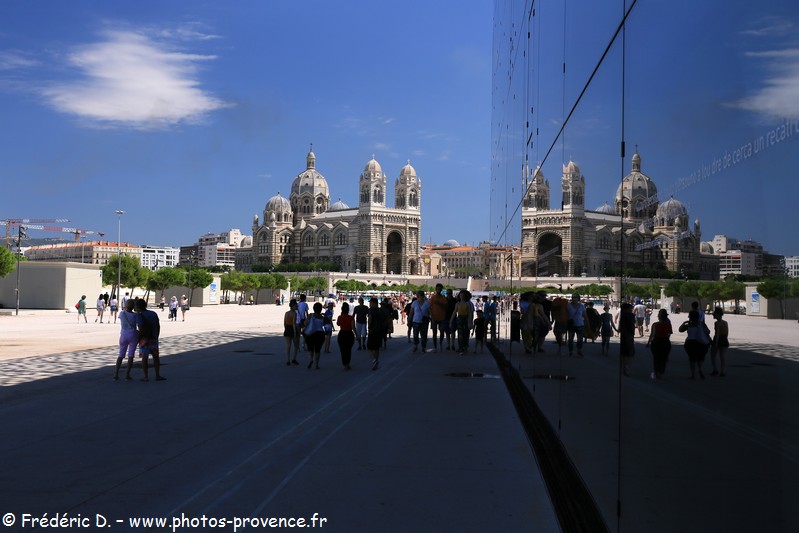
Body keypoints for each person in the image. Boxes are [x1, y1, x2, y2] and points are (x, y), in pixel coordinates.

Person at [135, 299, 165, 381]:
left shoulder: (139, 315)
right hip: (153, 338)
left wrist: (138, 338)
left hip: (144, 339)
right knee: (155, 356)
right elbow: (158, 325)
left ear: (138, 307)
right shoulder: (153, 313)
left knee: (144, 358)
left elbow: (140, 328)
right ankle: (157, 375)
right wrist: (156, 336)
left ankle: (146, 377)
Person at [679, 310, 711, 380]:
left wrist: (684, 323)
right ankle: (700, 369)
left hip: (690, 343)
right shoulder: (702, 324)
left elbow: (680, 330)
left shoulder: (689, 325)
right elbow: (708, 331)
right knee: (701, 358)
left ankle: (693, 374)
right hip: (700, 343)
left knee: (692, 359)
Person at [114, 299, 140, 380]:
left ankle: (116, 373)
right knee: (131, 355)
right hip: (133, 334)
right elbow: (139, 324)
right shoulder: (136, 315)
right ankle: (127, 374)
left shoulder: (122, 313)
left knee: (121, 354)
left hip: (123, 335)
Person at [646, 309, 673, 379]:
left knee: (656, 358)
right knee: (663, 358)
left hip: (656, 341)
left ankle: (656, 371)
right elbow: (669, 334)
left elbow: (652, 334)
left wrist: (648, 343)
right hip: (665, 341)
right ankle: (661, 372)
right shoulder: (668, 324)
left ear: (659, 317)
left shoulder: (655, 324)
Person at [450, 290, 474, 355]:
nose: (462, 297)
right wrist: (451, 321)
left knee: (466, 334)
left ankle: (465, 347)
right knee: (460, 334)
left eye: (463, 295)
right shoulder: (457, 304)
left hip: (466, 319)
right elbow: (454, 312)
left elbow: (470, 313)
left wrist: (470, 322)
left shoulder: (468, 304)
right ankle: (461, 348)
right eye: (460, 295)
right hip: (460, 319)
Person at [303, 302, 326, 369]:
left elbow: (305, 323)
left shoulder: (310, 315)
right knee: (318, 350)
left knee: (310, 348)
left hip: (311, 333)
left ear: (313, 308)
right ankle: (316, 365)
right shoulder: (322, 317)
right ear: (321, 309)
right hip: (320, 334)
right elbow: (323, 324)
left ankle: (311, 360)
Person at [710, 307, 729, 377]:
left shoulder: (717, 323)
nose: (713, 315)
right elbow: (727, 333)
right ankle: (722, 371)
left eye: (714, 314)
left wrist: (716, 343)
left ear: (717, 314)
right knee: (722, 357)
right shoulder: (725, 322)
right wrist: (725, 339)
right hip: (724, 339)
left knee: (713, 356)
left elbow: (717, 333)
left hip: (718, 339)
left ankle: (715, 369)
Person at [429, 284, 449, 352]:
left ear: (441, 290)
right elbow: (430, 307)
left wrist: (440, 304)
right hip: (434, 317)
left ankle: (440, 343)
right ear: (436, 289)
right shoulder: (432, 297)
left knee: (442, 332)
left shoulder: (443, 298)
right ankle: (435, 347)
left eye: (440, 289)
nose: (439, 290)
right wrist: (431, 316)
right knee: (434, 333)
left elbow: (446, 307)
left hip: (442, 317)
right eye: (438, 289)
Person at [618, 302, 636, 376]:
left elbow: (620, 325)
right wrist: (633, 332)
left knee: (623, 353)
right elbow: (632, 325)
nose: (632, 309)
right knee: (629, 353)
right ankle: (626, 368)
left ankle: (623, 368)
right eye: (631, 308)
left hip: (623, 335)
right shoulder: (630, 315)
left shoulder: (622, 315)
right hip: (629, 336)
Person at [336, 302, 355, 370]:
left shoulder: (340, 317)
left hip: (342, 333)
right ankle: (347, 363)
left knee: (342, 350)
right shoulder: (351, 318)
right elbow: (353, 327)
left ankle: (344, 364)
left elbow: (338, 324)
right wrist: (356, 335)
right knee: (348, 349)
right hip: (349, 334)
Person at [367, 297, 384, 370]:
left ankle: (374, 360)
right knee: (377, 348)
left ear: (374, 303)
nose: (370, 304)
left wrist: (369, 327)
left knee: (370, 347)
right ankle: (376, 361)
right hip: (379, 330)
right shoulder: (380, 310)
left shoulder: (371, 310)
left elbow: (370, 318)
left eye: (370, 302)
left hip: (373, 330)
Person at [283, 299, 299, 366]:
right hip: (292, 329)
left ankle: (288, 360)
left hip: (287, 328)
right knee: (296, 345)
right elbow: (294, 324)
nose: (297, 306)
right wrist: (295, 332)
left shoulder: (286, 313)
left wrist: (286, 329)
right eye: (296, 305)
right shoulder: (294, 313)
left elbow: (284, 323)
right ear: (293, 306)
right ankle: (294, 358)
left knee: (288, 345)